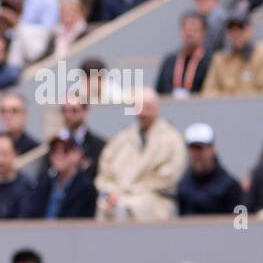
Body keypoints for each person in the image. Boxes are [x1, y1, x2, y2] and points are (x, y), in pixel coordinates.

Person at [95, 89, 187, 221]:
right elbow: (105, 172)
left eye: (148, 107)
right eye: (139, 107)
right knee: (104, 204)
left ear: (157, 109)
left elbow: (171, 174)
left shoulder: (172, 138)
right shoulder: (122, 138)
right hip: (116, 196)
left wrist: (131, 190)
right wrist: (112, 191)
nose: (143, 113)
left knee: (129, 207)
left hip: (154, 199)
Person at [176, 123, 244, 216]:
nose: (197, 155)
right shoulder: (183, 185)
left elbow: (241, 224)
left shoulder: (230, 186)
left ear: (212, 149)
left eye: (200, 148)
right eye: (192, 149)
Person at [27, 131, 97, 219]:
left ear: (78, 154)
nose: (58, 156)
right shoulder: (45, 183)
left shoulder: (85, 188)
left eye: (65, 150)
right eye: (54, 150)